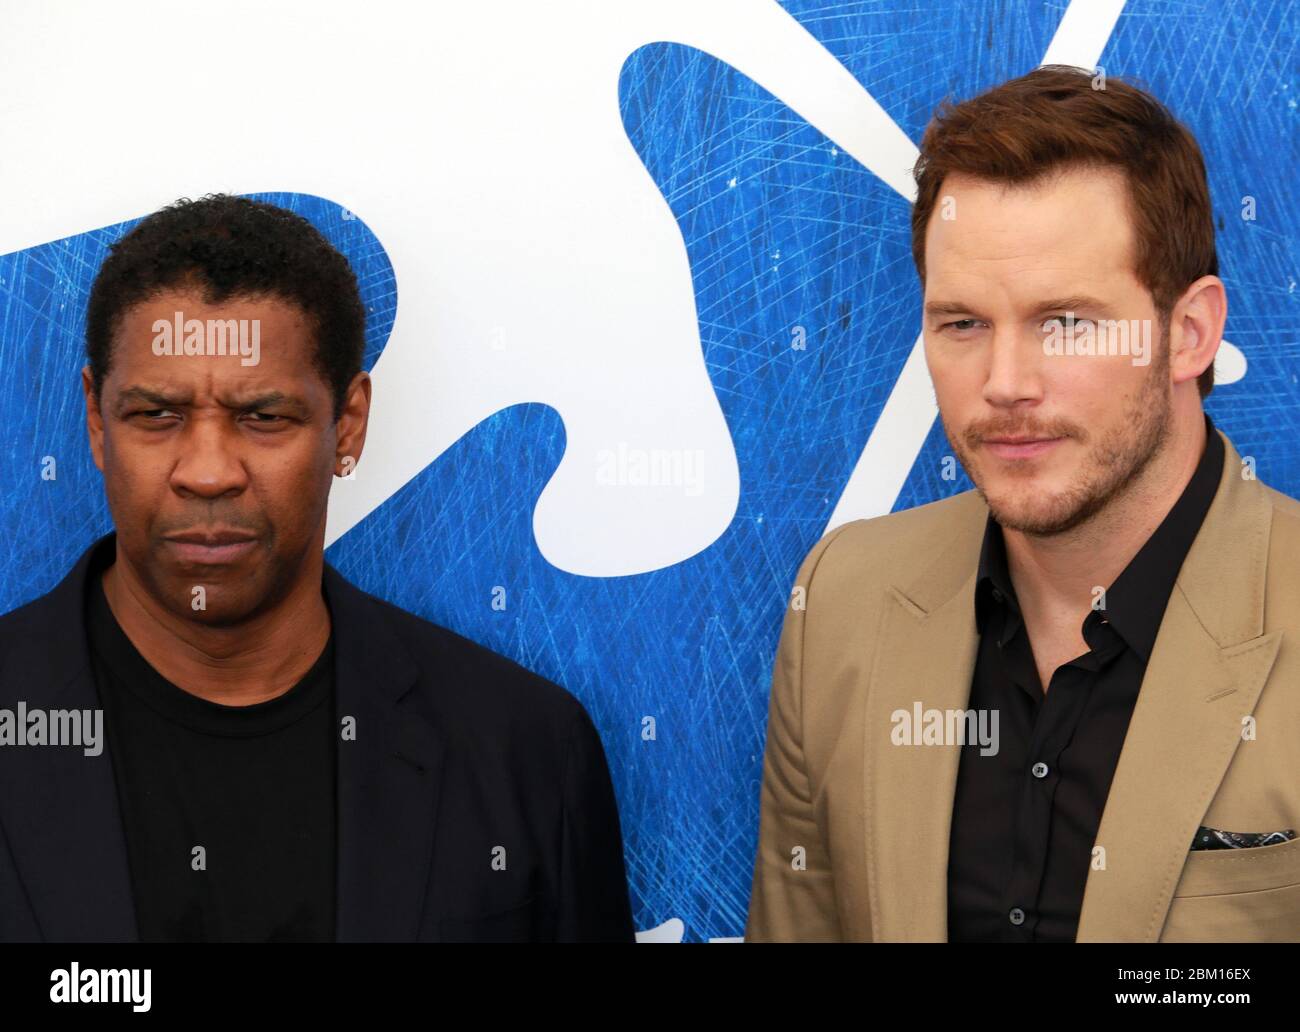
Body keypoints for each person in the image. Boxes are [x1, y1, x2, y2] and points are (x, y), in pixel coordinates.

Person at [746, 66, 1300, 942]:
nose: (1004, 386)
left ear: (1189, 333)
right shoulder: (840, 604)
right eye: (962, 324)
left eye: (1067, 323)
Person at [0, 194, 635, 942]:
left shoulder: (523, 751)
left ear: (349, 425)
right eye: (158, 415)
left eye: (264, 417)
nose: (208, 472)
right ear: (98, 423)